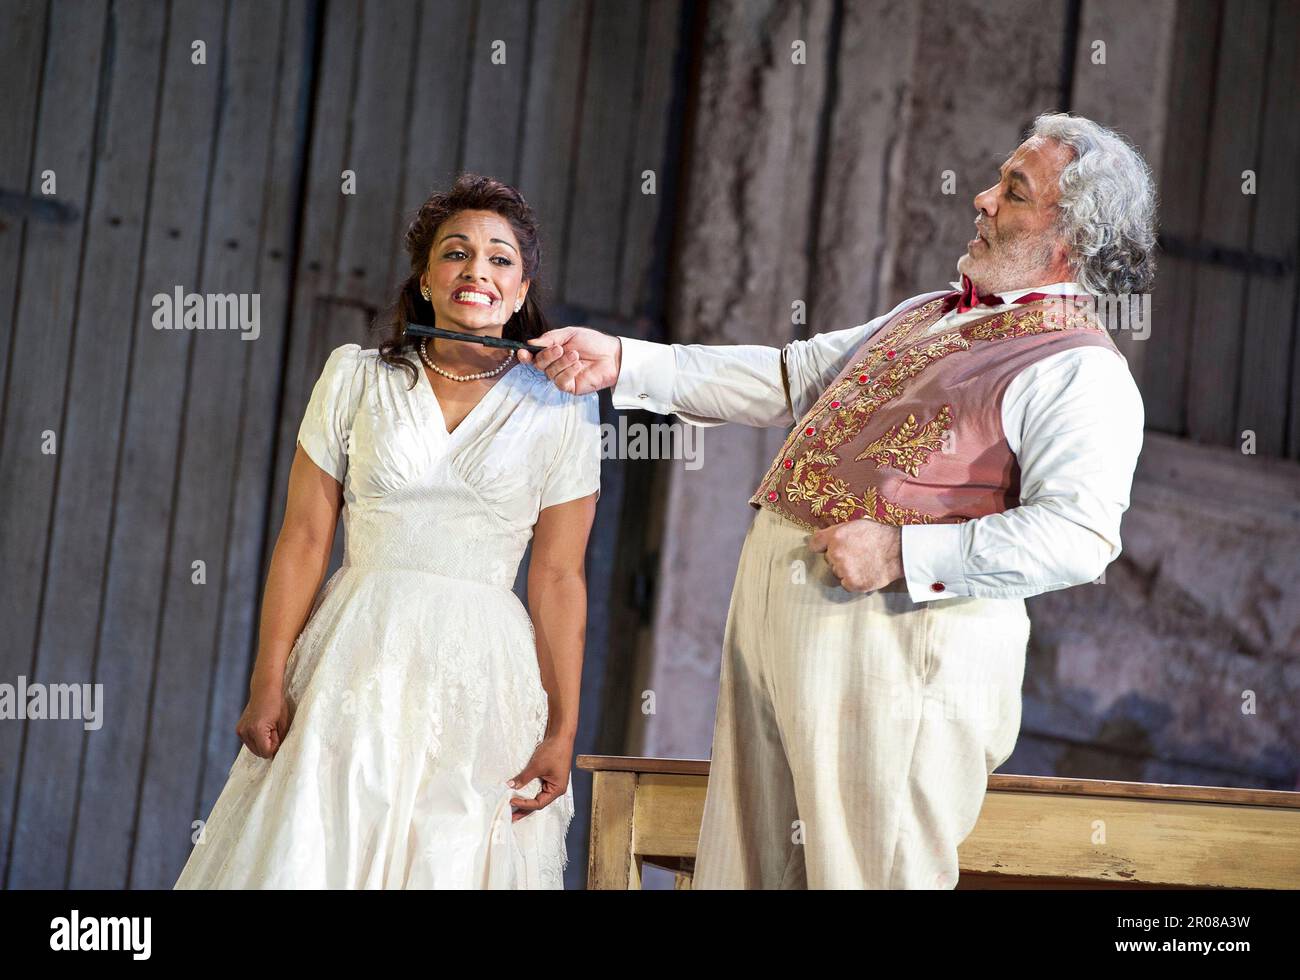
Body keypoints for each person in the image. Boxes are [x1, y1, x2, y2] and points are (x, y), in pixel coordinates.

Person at [519, 112, 1152, 888]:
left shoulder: (1081, 372)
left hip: (896, 651)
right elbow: (791, 378)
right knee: (746, 870)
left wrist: (900, 551)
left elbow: (1078, 536)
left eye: (1014, 192)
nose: (982, 200)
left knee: (864, 873)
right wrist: (622, 361)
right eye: (996, 181)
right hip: (783, 630)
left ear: (1071, 241)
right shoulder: (927, 313)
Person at [175, 174, 600, 889]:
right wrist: (268, 678)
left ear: (522, 292)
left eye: (500, 259)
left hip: (482, 675)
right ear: (427, 279)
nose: (477, 270)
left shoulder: (562, 408)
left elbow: (559, 575)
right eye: (456, 253)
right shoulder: (355, 376)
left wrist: (562, 728)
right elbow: (305, 539)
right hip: (354, 656)